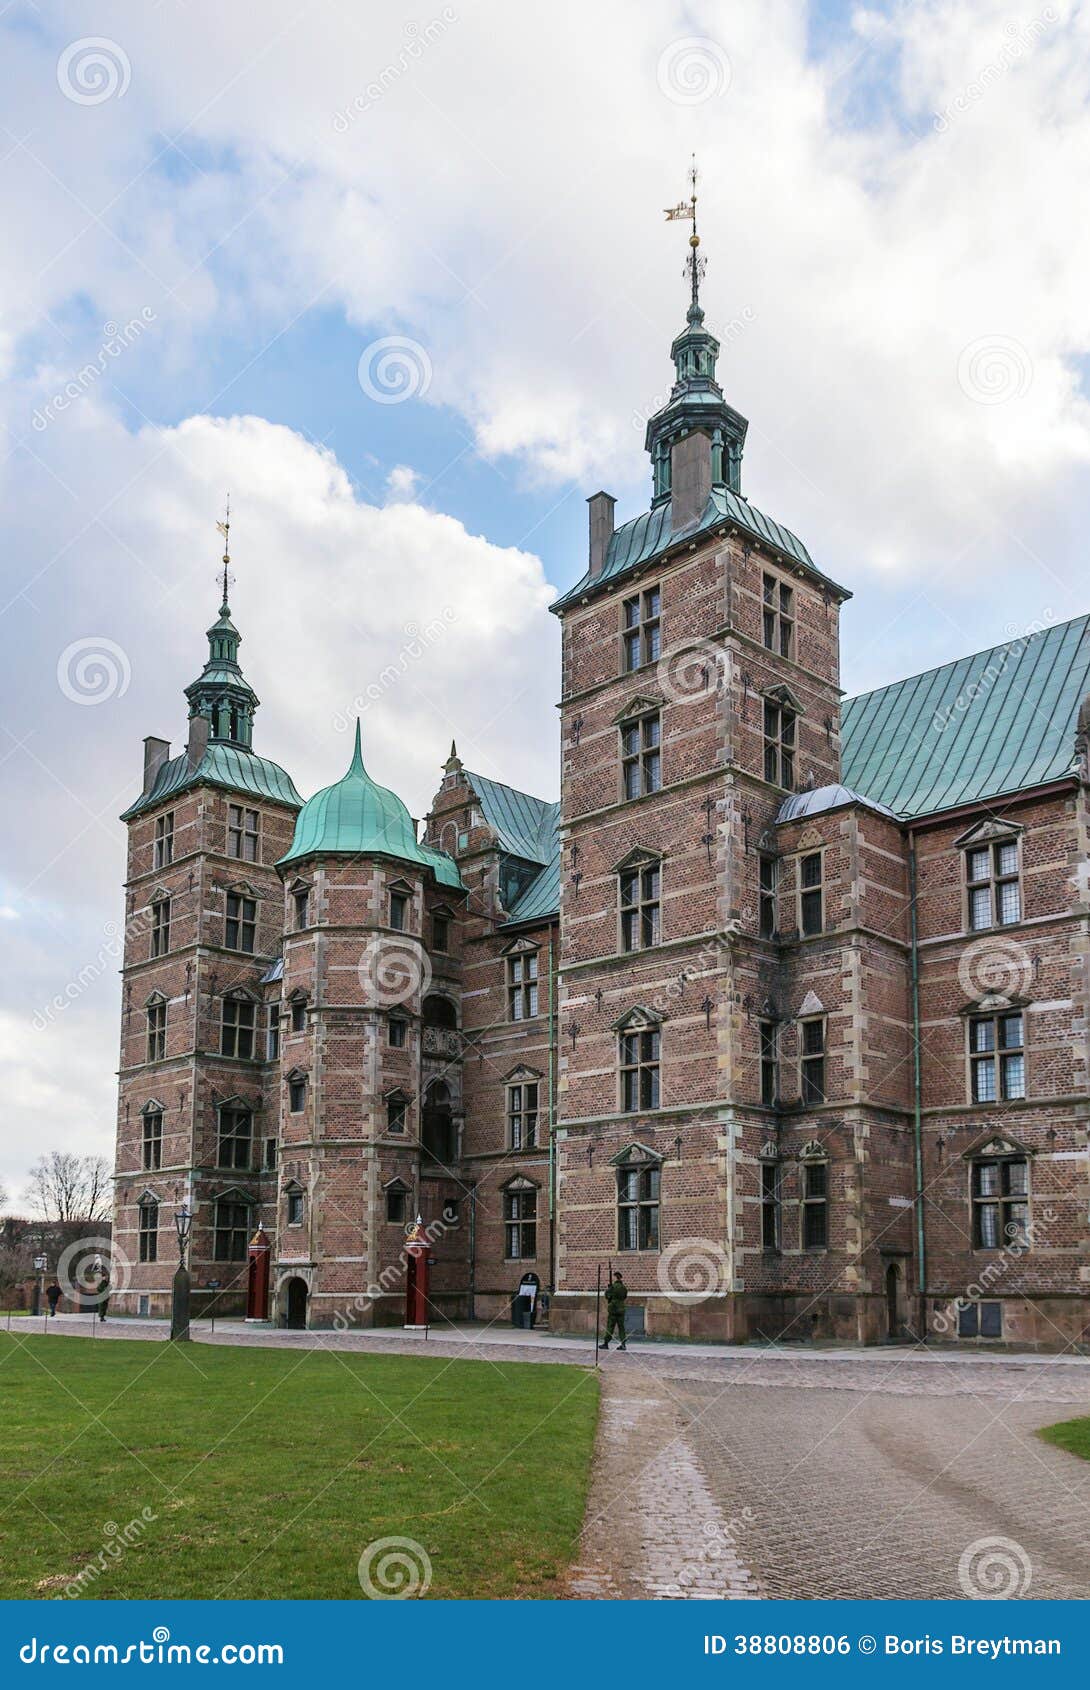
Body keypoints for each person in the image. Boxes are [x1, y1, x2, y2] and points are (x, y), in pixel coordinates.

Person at [602, 1271, 628, 1351]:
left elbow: (607, 1296)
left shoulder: (613, 1287)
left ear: (616, 1277)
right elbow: (624, 1297)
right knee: (621, 1328)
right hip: (621, 1309)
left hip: (613, 1310)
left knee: (610, 1327)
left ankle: (606, 1343)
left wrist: (609, 1288)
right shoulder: (624, 1288)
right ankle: (623, 1344)